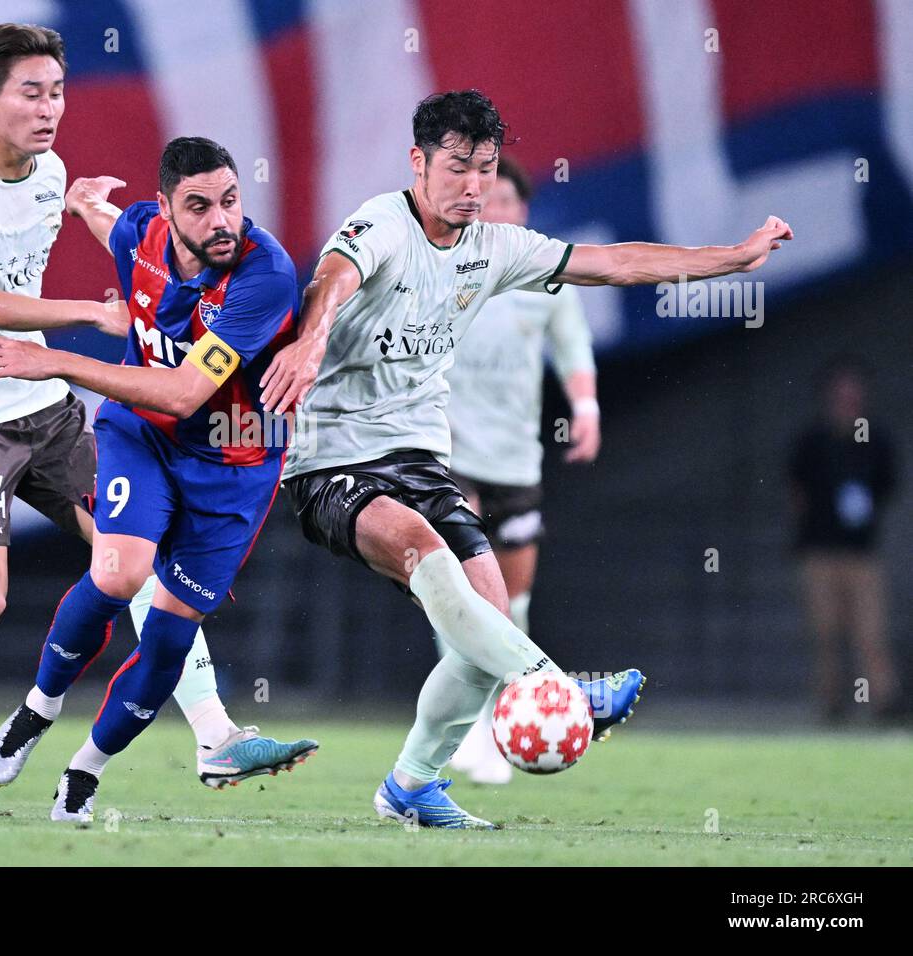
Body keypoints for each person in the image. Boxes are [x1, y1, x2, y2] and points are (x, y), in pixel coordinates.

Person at [261, 89, 793, 828]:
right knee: (426, 554)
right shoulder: (381, 222)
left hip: (419, 460)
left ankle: (411, 784)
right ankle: (556, 687)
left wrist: (731, 258)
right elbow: (333, 280)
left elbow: (615, 264)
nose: (474, 185)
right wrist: (313, 340)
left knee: (486, 629)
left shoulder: (497, 247)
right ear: (418, 163)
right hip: (332, 464)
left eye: (484, 168)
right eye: (457, 167)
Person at [0, 26, 311, 817]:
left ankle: (214, 730)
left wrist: (90, 216)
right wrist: (92, 314)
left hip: (43, 401)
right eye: (31, 92)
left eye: (57, 91)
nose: (50, 108)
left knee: (132, 565)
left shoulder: (52, 175)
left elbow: (131, 243)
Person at [0, 136, 316, 821]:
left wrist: (56, 363)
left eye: (231, 201)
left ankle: (84, 770)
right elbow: (111, 227)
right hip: (142, 439)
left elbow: (185, 392)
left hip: (237, 466)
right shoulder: (138, 232)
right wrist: (85, 204)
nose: (222, 220)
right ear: (164, 209)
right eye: (200, 206)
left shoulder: (261, 275)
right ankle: (37, 710)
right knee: (121, 573)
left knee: (168, 637)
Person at [440, 155, 600, 785]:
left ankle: (507, 718)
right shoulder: (449, 268)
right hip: (451, 460)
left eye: (507, 201)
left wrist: (585, 406)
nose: (496, 210)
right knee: (462, 595)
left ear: (522, 211)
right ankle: (467, 731)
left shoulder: (545, 278)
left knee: (514, 605)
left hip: (517, 463)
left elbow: (574, 347)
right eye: (488, 200)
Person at [788, 356, 903, 723]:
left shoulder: (876, 439)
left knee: (871, 633)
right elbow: (796, 493)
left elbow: (888, 486)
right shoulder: (811, 442)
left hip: (861, 553)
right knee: (825, 633)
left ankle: (883, 703)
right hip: (820, 553)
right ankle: (831, 703)